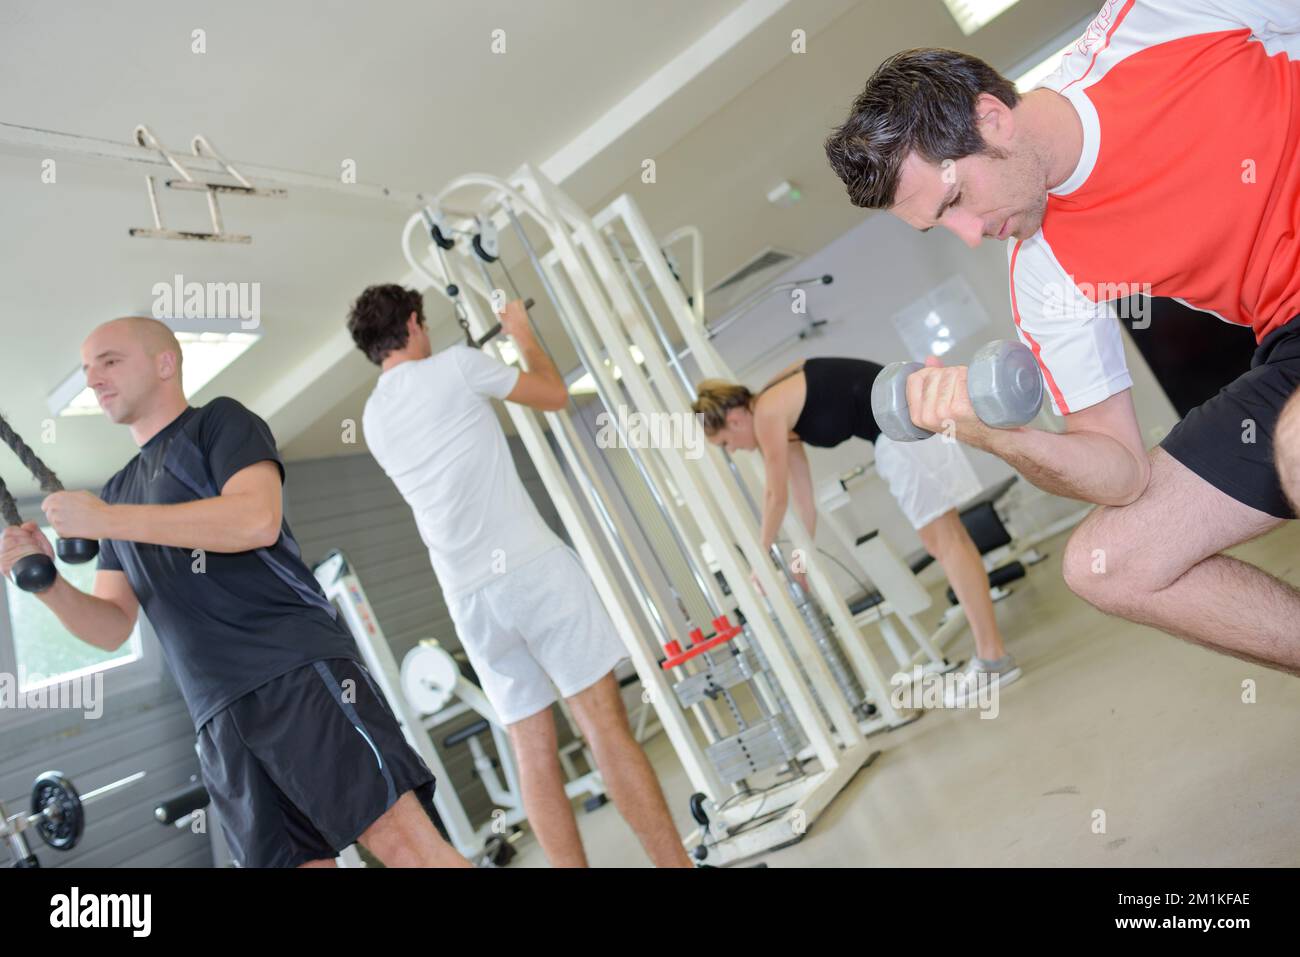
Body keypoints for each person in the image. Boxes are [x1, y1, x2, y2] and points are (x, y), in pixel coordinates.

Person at [824, 0, 1300, 673]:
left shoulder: (1160, 20)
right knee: (1108, 565)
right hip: (1290, 337)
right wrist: (981, 426)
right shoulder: (1045, 266)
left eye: (955, 201)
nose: (969, 235)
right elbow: (1119, 468)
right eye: (940, 226)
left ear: (992, 119)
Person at [0, 316, 466, 868]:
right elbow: (111, 627)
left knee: (406, 846)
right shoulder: (118, 492)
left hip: (293, 674)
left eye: (109, 362)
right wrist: (48, 584)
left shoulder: (219, 425)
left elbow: (255, 520)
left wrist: (108, 519)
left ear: (165, 363)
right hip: (216, 715)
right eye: (86, 371)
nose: (94, 380)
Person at [348, 284, 691, 868]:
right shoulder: (457, 367)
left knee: (531, 754)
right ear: (413, 323)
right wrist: (521, 333)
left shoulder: (374, 417)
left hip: (469, 599)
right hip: (531, 569)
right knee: (602, 727)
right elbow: (554, 394)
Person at [693, 356, 1020, 705]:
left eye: (726, 442)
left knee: (947, 543)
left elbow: (775, 496)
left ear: (736, 418)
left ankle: (992, 658)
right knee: (950, 541)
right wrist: (799, 564)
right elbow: (804, 501)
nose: (735, 450)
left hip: (903, 430)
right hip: (909, 424)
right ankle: (992, 654)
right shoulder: (779, 407)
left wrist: (759, 560)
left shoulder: (767, 415)